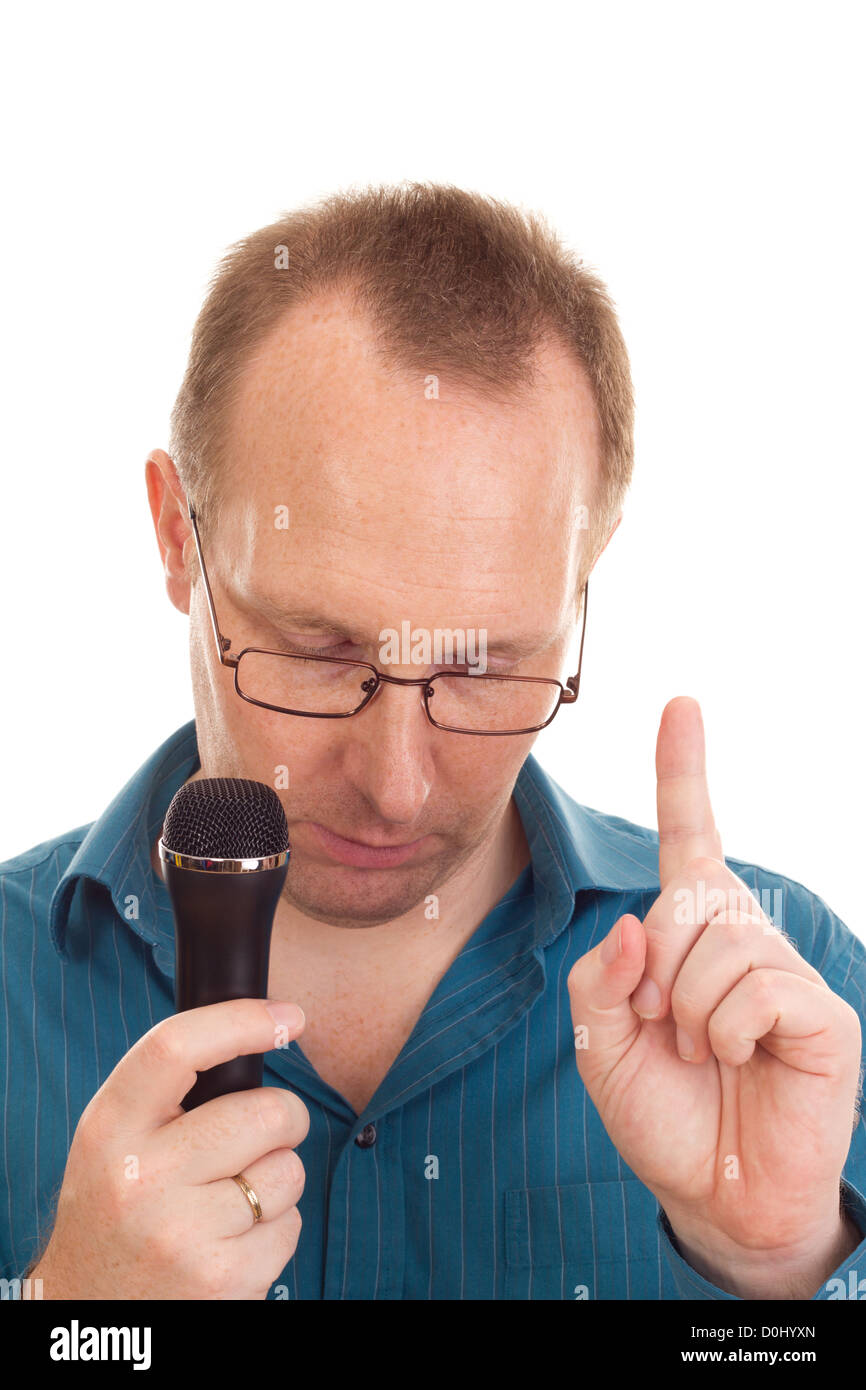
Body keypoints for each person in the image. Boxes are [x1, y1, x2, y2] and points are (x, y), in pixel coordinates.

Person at [2, 183, 864, 1302]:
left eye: (483, 664)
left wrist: (782, 1268)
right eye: (318, 649)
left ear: (575, 592)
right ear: (178, 538)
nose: (395, 787)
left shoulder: (791, 1003)